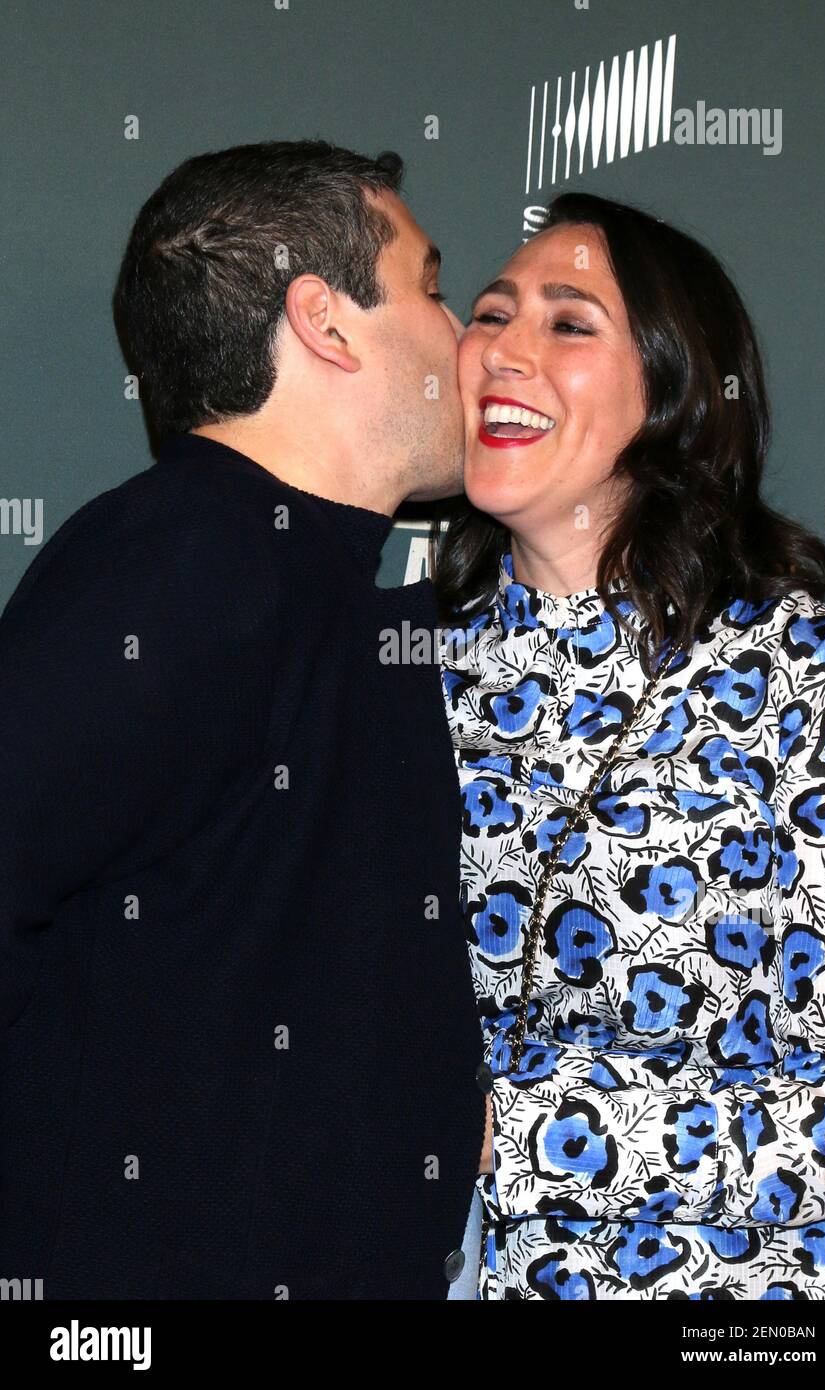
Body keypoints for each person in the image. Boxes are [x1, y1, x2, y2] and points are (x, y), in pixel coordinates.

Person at [0, 140, 487, 1300]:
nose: (462, 331)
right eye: (428, 284)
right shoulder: (174, 565)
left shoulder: (309, 584)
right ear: (323, 321)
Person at [435, 191, 825, 1299]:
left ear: (673, 393)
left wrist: (513, 1128)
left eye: (569, 323)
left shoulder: (815, 682)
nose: (504, 351)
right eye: (488, 313)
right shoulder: (395, 682)